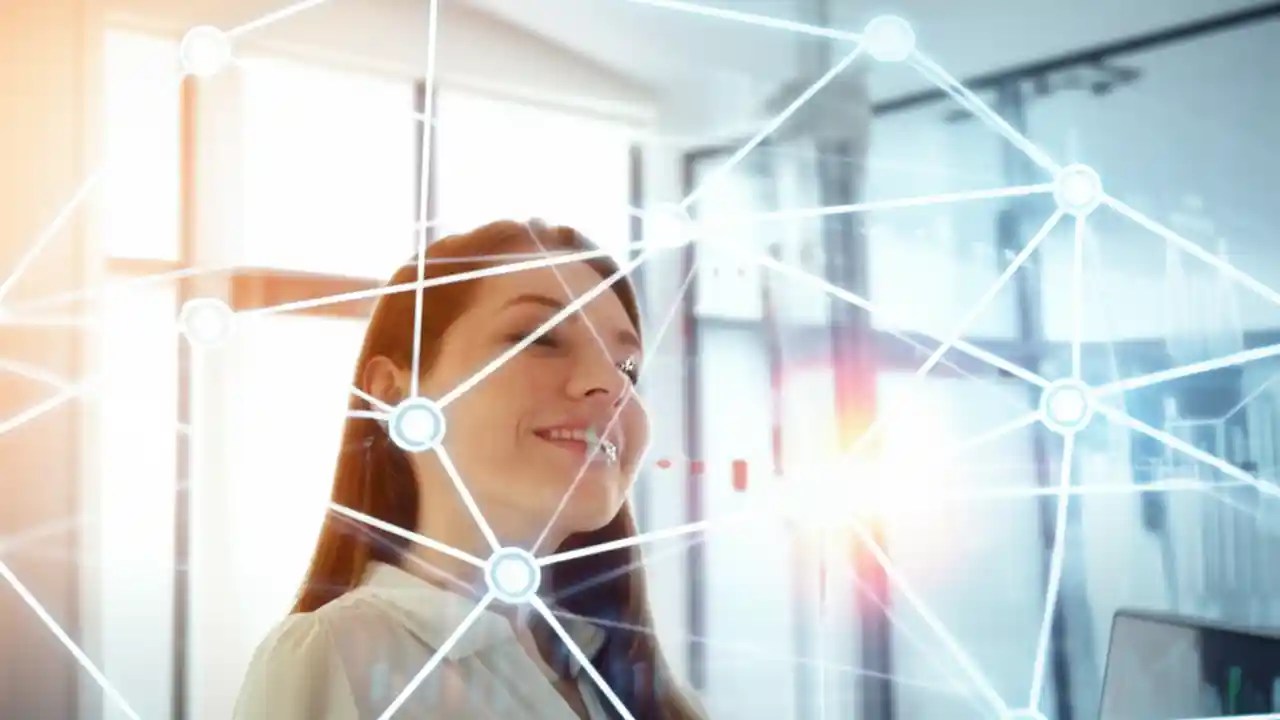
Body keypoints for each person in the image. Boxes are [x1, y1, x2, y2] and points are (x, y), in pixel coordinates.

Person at [232, 220, 705, 719]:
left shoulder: (643, 688)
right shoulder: (338, 657)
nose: (608, 385)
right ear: (395, 394)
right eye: (539, 337)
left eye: (626, 366)